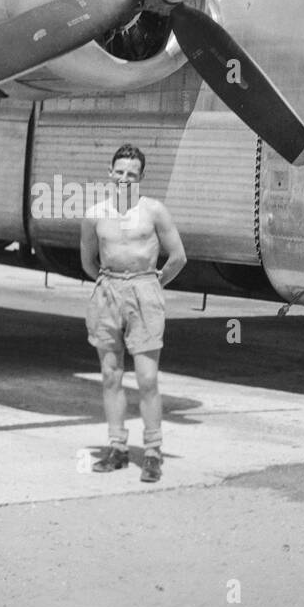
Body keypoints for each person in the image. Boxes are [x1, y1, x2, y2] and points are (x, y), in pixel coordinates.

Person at [79, 144, 186, 482]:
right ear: (110, 172)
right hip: (108, 292)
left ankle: (153, 451)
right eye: (120, 172)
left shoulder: (154, 211)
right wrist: (107, 282)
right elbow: (87, 260)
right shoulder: (95, 214)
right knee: (110, 375)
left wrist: (154, 284)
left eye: (132, 174)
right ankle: (117, 448)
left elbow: (178, 256)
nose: (125, 178)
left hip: (144, 293)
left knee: (147, 378)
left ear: (141, 177)